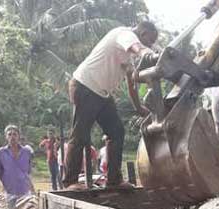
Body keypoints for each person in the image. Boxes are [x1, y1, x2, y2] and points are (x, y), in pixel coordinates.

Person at [65, 21, 158, 189]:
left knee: (116, 132)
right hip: (85, 86)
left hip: (101, 93)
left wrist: (139, 108)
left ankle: (113, 180)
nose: (150, 44)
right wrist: (146, 52)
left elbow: (132, 84)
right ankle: (70, 182)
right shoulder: (124, 33)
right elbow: (137, 47)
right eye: (150, 41)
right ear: (143, 33)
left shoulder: (127, 57)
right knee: (80, 134)